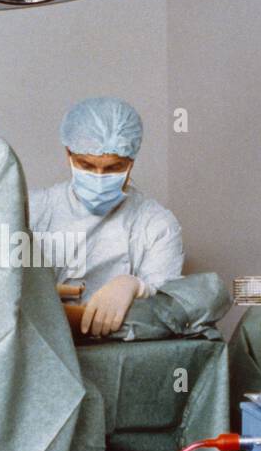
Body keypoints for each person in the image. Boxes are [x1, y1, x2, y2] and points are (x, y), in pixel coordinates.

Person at [29, 97, 184, 338]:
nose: (99, 177)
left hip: (123, 354)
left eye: (113, 168)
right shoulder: (34, 209)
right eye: (86, 165)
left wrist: (136, 287)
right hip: (42, 349)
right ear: (69, 153)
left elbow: (169, 314)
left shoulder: (157, 224)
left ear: (131, 162)